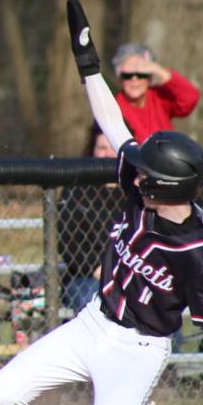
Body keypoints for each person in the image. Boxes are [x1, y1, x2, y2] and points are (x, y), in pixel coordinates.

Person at [0, 0, 203, 405]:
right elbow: (112, 120)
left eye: (144, 169)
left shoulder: (193, 250)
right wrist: (88, 65)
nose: (133, 169)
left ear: (162, 185)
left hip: (140, 349)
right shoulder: (141, 191)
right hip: (93, 324)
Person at [58, 125, 124, 313]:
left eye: (113, 147)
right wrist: (97, 268)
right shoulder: (77, 189)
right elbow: (69, 241)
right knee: (93, 301)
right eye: (101, 148)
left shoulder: (137, 190)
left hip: (133, 273)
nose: (107, 154)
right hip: (87, 276)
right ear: (92, 151)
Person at [110, 41, 200, 144]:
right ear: (120, 78)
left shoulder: (158, 97)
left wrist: (158, 70)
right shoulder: (113, 107)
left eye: (141, 75)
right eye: (127, 76)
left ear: (150, 77)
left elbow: (190, 97)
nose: (134, 80)